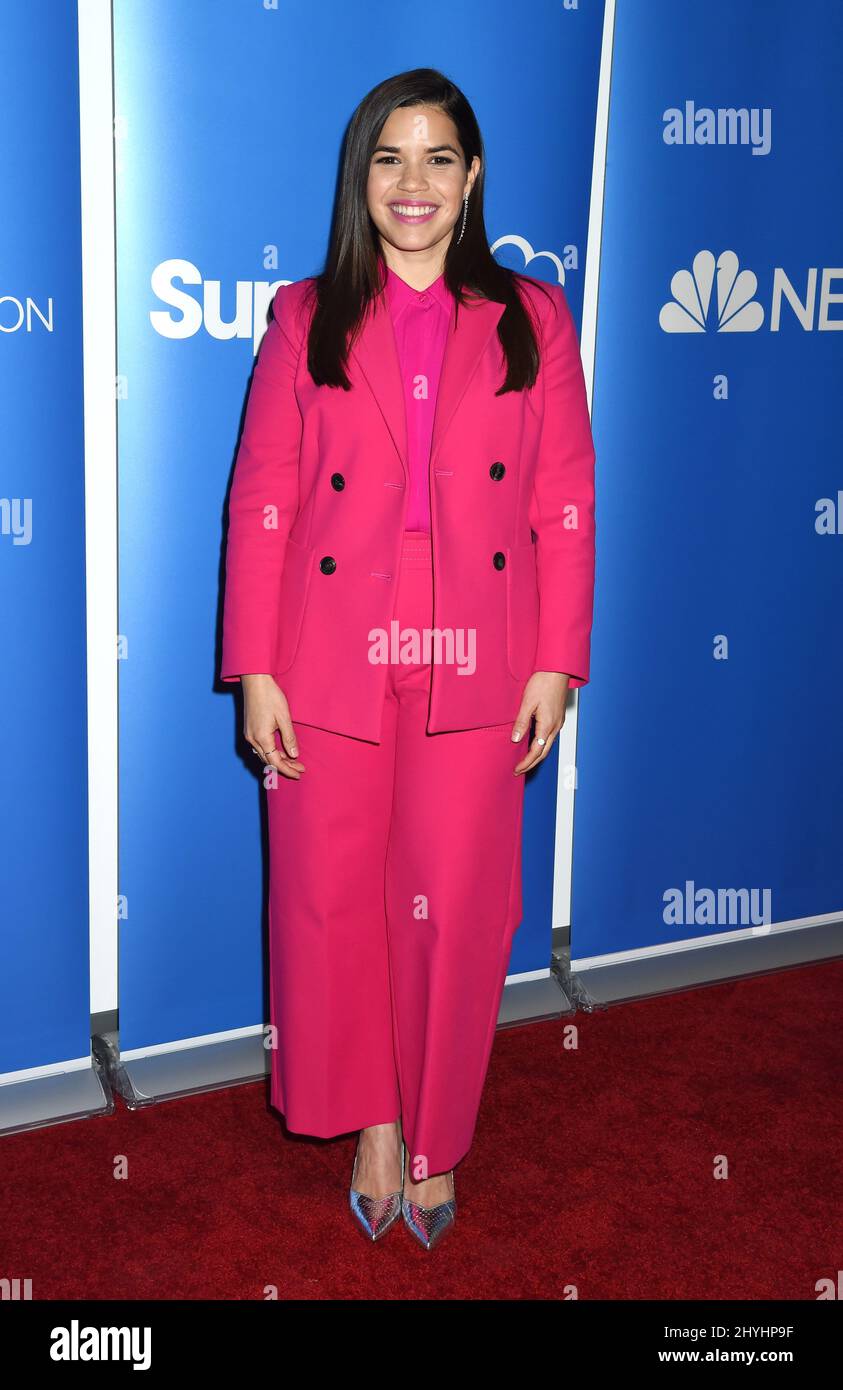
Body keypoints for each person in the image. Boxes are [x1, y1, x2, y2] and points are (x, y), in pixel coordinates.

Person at [221, 68, 596, 1249]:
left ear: (473, 177)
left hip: (480, 649)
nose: (415, 183)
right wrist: (256, 668)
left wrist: (557, 660)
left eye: (440, 158)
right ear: (361, 177)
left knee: (454, 902)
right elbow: (264, 498)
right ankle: (376, 1123)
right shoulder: (304, 315)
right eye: (391, 158)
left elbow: (566, 498)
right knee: (333, 900)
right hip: (328, 646)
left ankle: (436, 1135)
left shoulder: (534, 318)